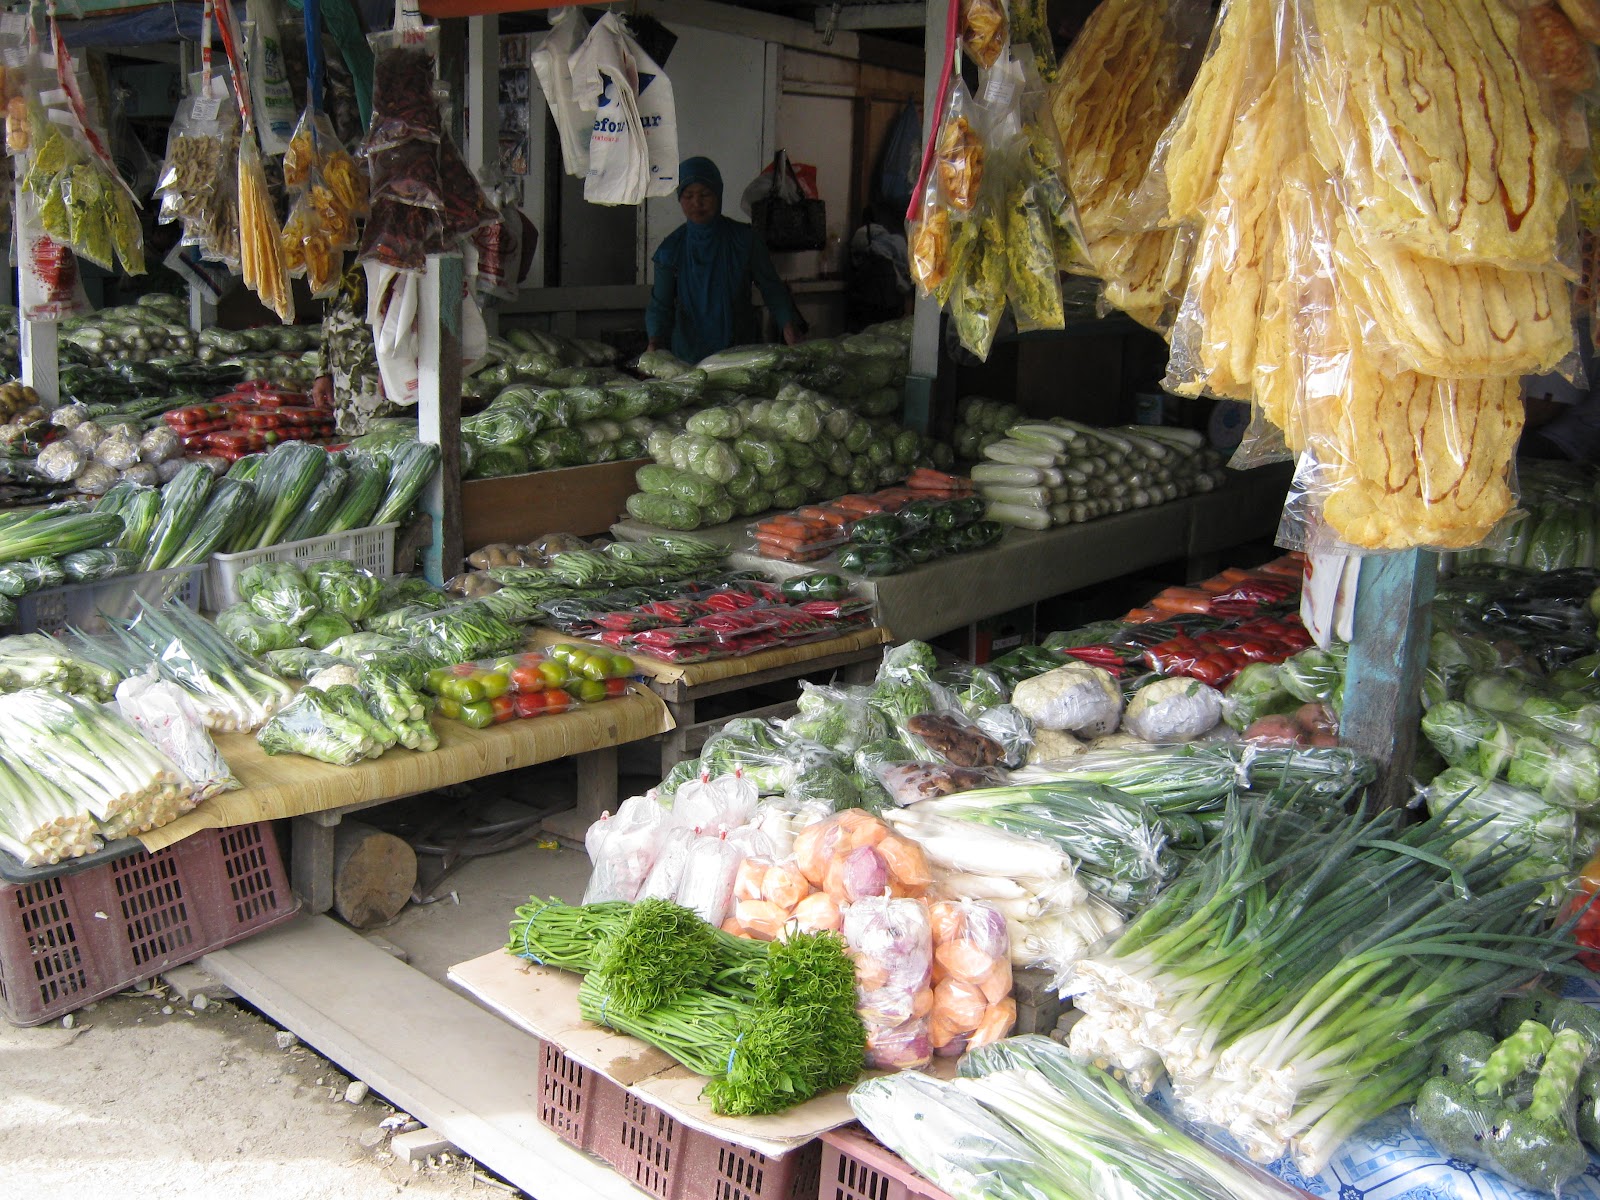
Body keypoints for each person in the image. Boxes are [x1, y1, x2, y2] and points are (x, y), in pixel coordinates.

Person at [646, 157, 805, 363]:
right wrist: (654, 341)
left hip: (741, 354)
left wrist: (787, 324)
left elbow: (771, 287)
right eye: (688, 195)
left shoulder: (745, 240)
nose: (697, 203)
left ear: (718, 194)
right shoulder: (670, 250)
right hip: (689, 359)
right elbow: (661, 305)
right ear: (679, 199)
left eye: (705, 194)